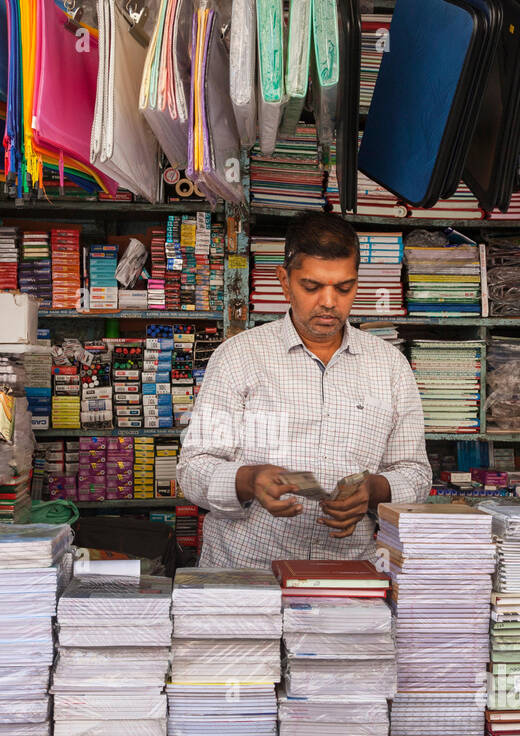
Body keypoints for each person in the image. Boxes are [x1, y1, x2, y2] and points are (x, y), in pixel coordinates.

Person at [178, 211, 432, 569]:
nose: (329, 302)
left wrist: (373, 490)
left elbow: (416, 474)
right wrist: (249, 480)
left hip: (347, 573)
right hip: (247, 572)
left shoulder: (390, 367)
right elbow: (192, 469)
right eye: (311, 287)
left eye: (344, 288)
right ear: (284, 281)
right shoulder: (238, 357)